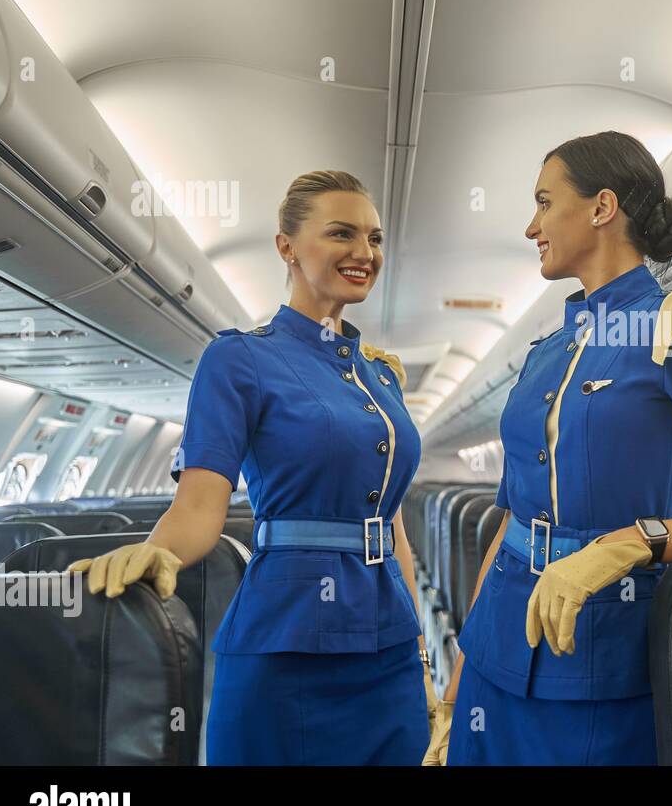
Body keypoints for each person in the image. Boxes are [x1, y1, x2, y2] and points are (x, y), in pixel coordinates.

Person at [424, 132, 672, 766]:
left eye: (545, 203)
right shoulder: (547, 353)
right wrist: (457, 686)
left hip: (598, 656)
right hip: (496, 650)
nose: (530, 226)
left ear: (602, 208)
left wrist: (629, 541)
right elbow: (512, 524)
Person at [69, 170, 435, 765]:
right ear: (286, 246)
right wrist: (158, 550)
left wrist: (419, 654)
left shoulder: (382, 376)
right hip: (286, 641)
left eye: (374, 238)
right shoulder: (240, 358)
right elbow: (198, 507)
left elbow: (391, 528)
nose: (364, 253)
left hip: (388, 648)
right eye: (341, 233)